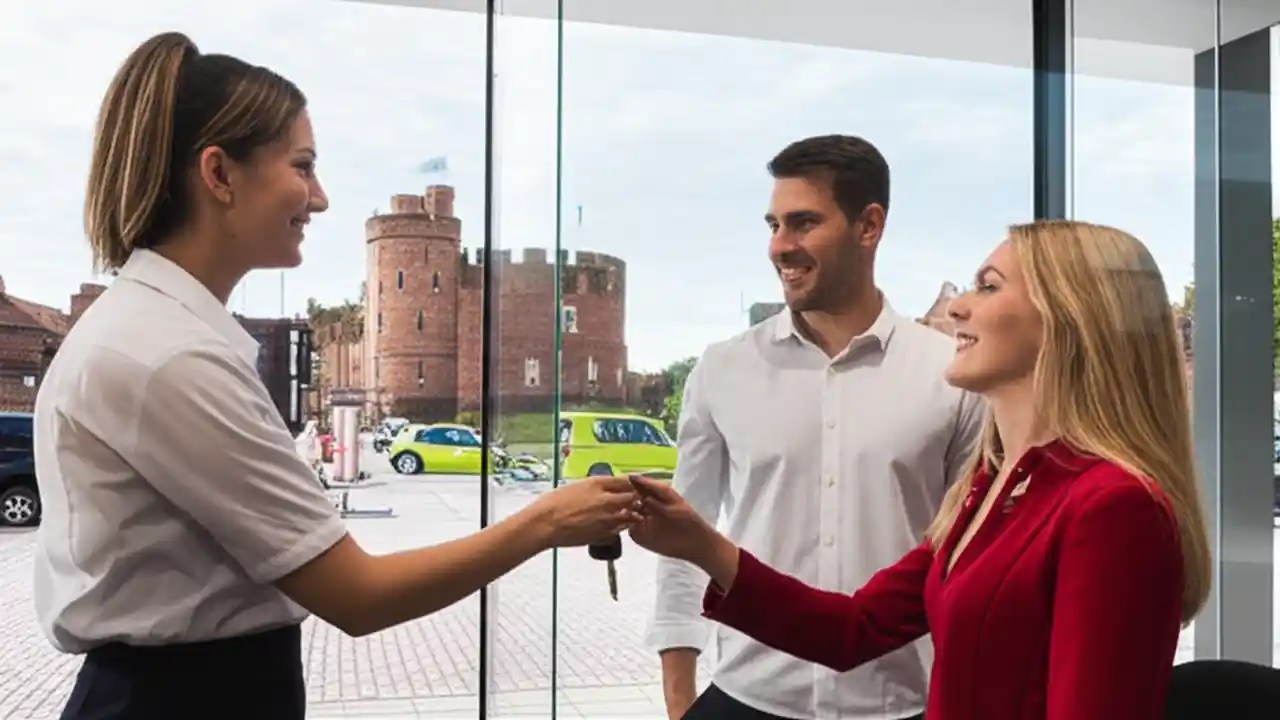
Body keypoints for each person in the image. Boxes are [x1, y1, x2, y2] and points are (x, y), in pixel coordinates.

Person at [31, 32, 640, 720]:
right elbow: (359, 595)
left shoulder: (153, 332)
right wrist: (546, 521)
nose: (318, 199)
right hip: (187, 697)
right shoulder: (166, 357)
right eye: (302, 166)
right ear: (219, 174)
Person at [630, 220, 1212, 720]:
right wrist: (701, 543)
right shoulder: (992, 490)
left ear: (1068, 321)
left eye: (989, 287)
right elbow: (852, 628)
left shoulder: (1112, 508)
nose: (958, 306)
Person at [648, 134, 985, 720]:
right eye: (773, 225)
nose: (781, 246)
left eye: (803, 223)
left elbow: (966, 562)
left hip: (901, 706)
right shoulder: (722, 369)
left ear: (869, 226)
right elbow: (683, 540)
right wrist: (681, 701)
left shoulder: (948, 375)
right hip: (746, 700)